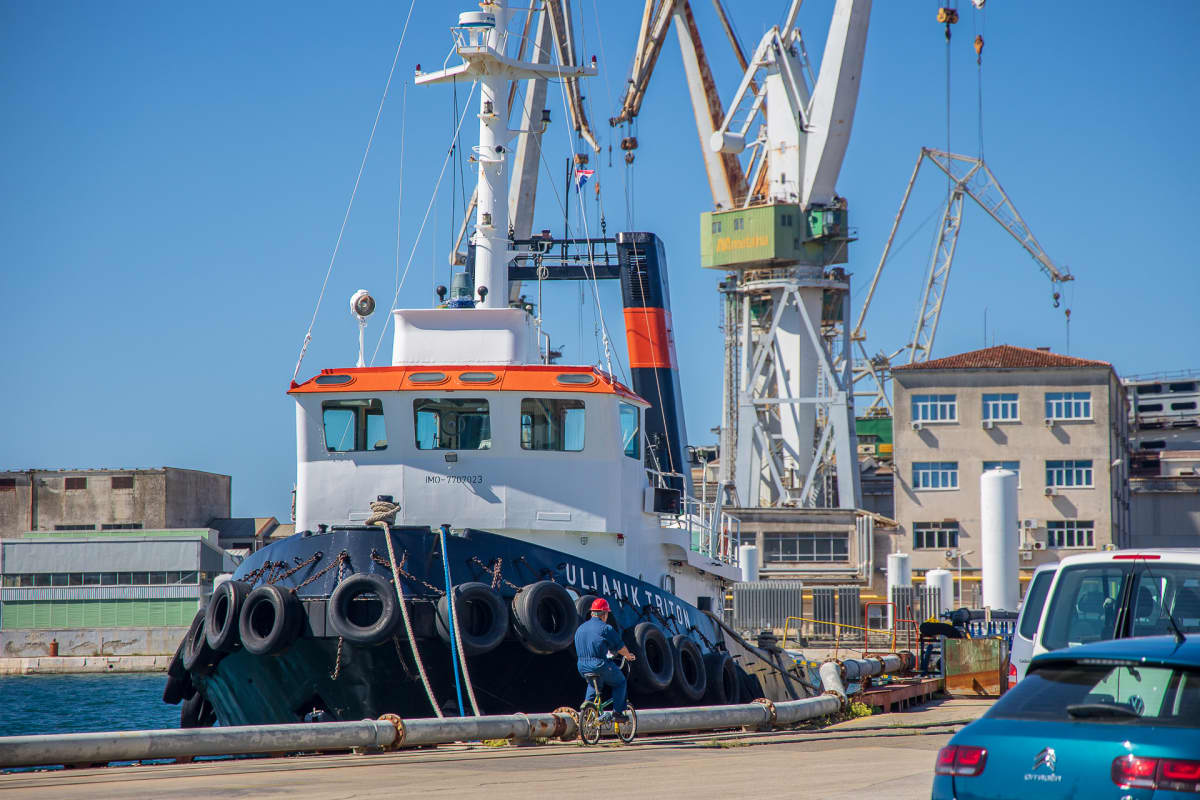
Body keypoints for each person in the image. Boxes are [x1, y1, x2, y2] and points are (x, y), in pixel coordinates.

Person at [574, 597, 636, 721]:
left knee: (594, 685)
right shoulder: (605, 628)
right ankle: (617, 713)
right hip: (599, 665)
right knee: (620, 682)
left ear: (592, 612)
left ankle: (588, 711)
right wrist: (628, 656)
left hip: (581, 666)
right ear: (605, 614)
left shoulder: (580, 628)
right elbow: (620, 646)